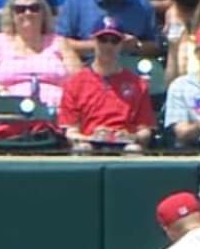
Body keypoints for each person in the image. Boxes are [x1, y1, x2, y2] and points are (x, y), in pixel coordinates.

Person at [58, 16, 155, 153]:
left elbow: (145, 130)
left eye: (114, 41)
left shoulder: (138, 84)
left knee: (134, 150)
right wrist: (90, 137)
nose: (108, 46)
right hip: (89, 143)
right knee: (82, 149)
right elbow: (71, 131)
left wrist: (131, 137)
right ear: (93, 41)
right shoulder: (75, 83)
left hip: (125, 145)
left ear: (121, 44)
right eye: (103, 40)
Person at [0, 0, 81, 109]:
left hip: (57, 111)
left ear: (43, 13)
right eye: (20, 9)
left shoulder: (59, 42)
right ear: (12, 15)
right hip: (10, 112)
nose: (28, 13)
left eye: (34, 8)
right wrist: (1, 92)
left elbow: (80, 80)